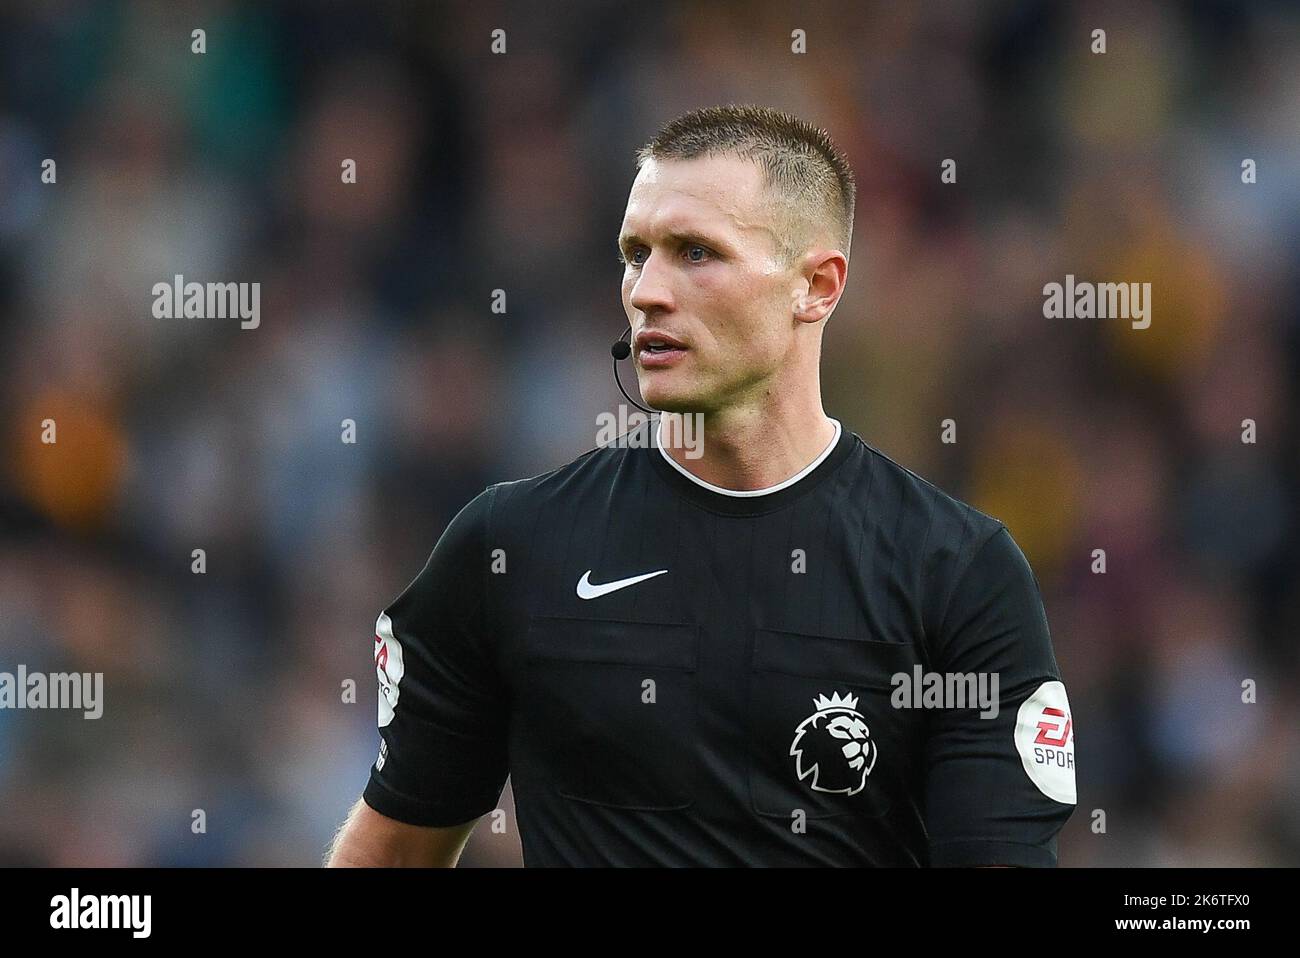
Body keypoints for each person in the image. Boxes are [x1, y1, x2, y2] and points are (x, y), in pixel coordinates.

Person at [327, 104, 1076, 867]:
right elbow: (392, 852)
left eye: (694, 253)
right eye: (634, 253)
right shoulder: (509, 549)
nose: (647, 291)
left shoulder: (955, 573)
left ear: (816, 286)